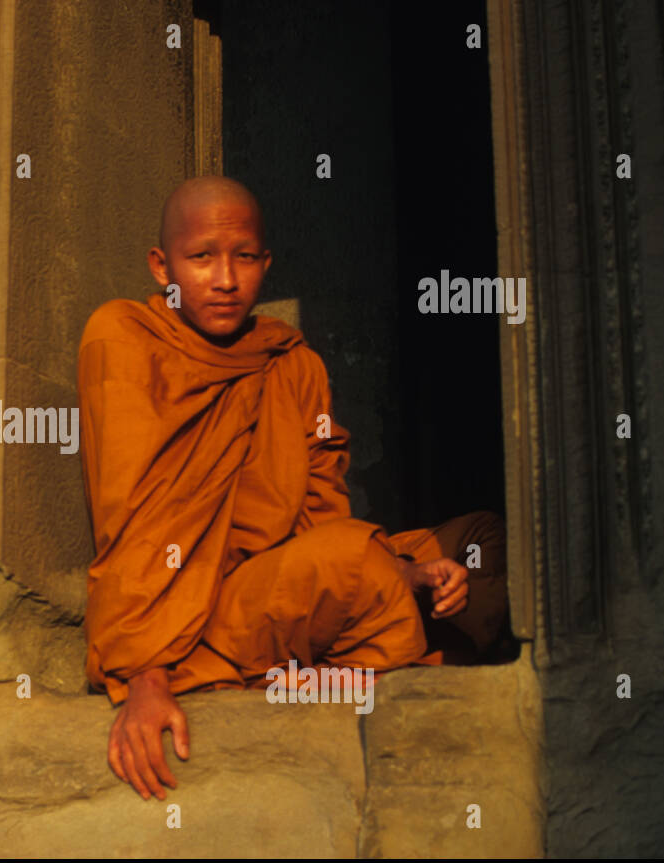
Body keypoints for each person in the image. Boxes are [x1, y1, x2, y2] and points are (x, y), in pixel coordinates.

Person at [77, 176, 509, 801]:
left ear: (266, 262)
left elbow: (322, 514)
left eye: (244, 257)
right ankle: (404, 646)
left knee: (477, 538)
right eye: (201, 258)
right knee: (365, 564)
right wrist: (145, 678)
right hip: (204, 607)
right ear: (160, 264)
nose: (226, 279)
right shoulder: (123, 337)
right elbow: (131, 520)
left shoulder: (289, 359)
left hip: (285, 575)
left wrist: (409, 569)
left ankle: (395, 625)